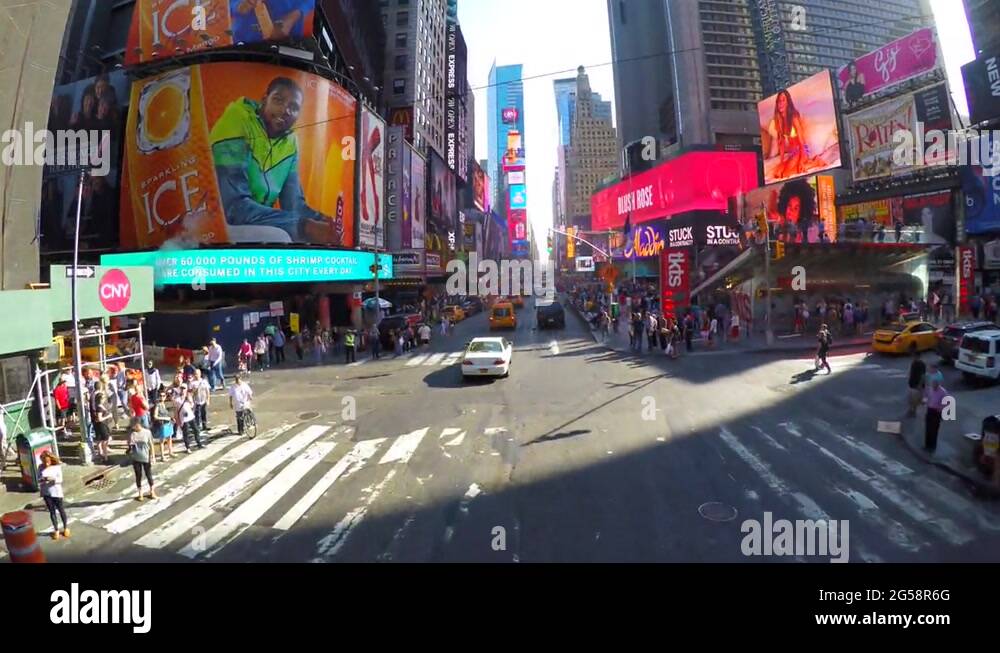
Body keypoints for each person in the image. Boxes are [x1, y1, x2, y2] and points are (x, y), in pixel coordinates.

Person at [209, 76, 338, 244]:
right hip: (213, 223)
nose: (286, 110)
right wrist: (304, 226)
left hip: (253, 221)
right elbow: (233, 207)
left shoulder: (290, 142)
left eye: (294, 107)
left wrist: (323, 220)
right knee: (281, 236)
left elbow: (293, 204)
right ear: (264, 99)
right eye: (278, 100)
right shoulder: (236, 119)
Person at [38, 452, 69, 540]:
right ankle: (56, 530)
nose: (46, 464)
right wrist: (42, 479)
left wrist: (53, 479)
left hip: (56, 492)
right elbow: (38, 478)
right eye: (44, 462)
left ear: (51, 460)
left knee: (61, 510)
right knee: (52, 512)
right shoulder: (40, 467)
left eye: (48, 461)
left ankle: (66, 528)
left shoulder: (57, 467)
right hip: (46, 492)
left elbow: (60, 479)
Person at [128, 422, 156, 502]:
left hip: (146, 457)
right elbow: (131, 445)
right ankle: (140, 493)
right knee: (138, 476)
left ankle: (152, 491)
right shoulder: (133, 434)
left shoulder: (147, 432)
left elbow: (151, 445)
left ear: (138, 425)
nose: (133, 428)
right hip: (136, 458)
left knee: (148, 474)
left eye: (134, 426)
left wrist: (153, 456)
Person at [923, 373, 948, 453]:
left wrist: (941, 409)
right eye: (933, 383)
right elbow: (927, 397)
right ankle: (927, 445)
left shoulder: (943, 392)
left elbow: (946, 402)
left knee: (934, 429)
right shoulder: (930, 389)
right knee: (928, 428)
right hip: (930, 410)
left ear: (938, 384)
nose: (933, 385)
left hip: (937, 412)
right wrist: (925, 401)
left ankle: (932, 446)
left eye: (935, 384)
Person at [176, 386, 204, 452]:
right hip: (183, 418)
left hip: (191, 416)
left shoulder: (188, 397)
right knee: (186, 433)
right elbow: (176, 410)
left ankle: (199, 443)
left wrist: (189, 399)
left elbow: (192, 406)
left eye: (184, 389)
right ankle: (187, 447)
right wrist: (178, 420)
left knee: (196, 430)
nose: (183, 390)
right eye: (181, 389)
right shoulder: (177, 399)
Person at [152, 391, 174, 461]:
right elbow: (155, 416)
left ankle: (170, 452)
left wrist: (172, 418)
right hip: (163, 424)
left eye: (163, 396)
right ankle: (162, 456)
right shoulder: (158, 405)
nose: (162, 397)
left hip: (169, 423)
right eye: (161, 396)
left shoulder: (166, 404)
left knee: (169, 438)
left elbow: (170, 413)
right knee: (162, 440)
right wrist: (165, 418)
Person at [906, 351, 926, 418]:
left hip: (917, 384)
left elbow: (923, 375)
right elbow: (911, 372)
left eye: (914, 356)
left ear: (918, 356)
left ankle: (914, 410)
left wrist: (920, 385)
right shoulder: (913, 363)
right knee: (911, 397)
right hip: (912, 383)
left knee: (915, 398)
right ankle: (911, 409)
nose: (913, 357)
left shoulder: (921, 364)